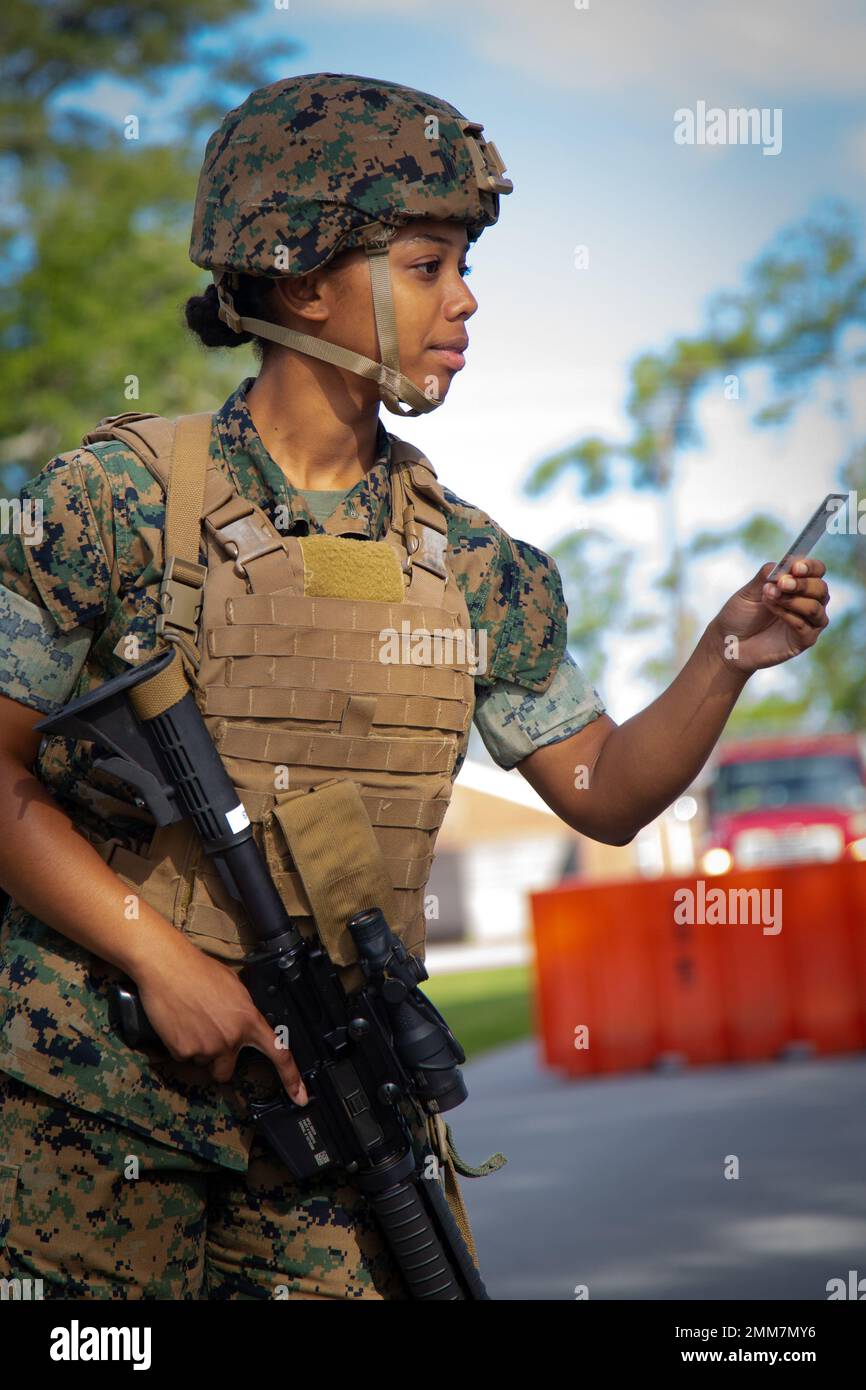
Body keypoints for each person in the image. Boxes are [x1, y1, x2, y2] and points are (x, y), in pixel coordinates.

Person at [0, 73, 831, 1302]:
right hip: (93, 1117)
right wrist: (162, 961)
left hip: (330, 1126)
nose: (465, 298)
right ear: (299, 277)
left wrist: (723, 653)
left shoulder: (478, 566)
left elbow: (600, 793)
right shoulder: (117, 504)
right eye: (424, 264)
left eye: (462, 266)